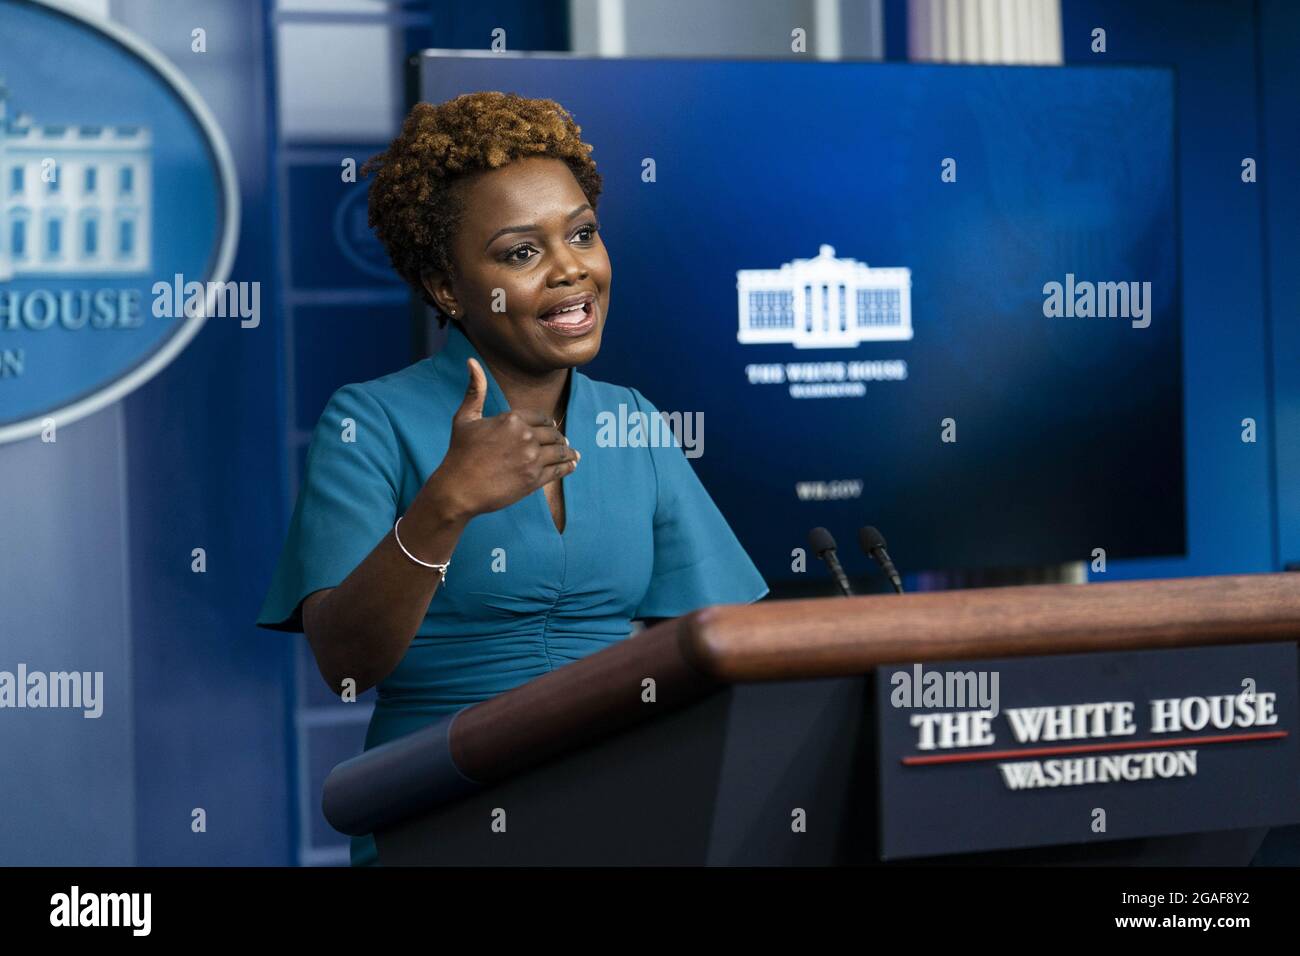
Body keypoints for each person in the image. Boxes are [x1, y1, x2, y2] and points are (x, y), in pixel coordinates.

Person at [256, 91, 768, 866]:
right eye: (522, 252)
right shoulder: (369, 421)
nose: (572, 270)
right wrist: (447, 503)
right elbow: (348, 666)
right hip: (439, 816)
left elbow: (719, 644)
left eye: (583, 235)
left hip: (623, 810)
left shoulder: (632, 418)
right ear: (445, 286)